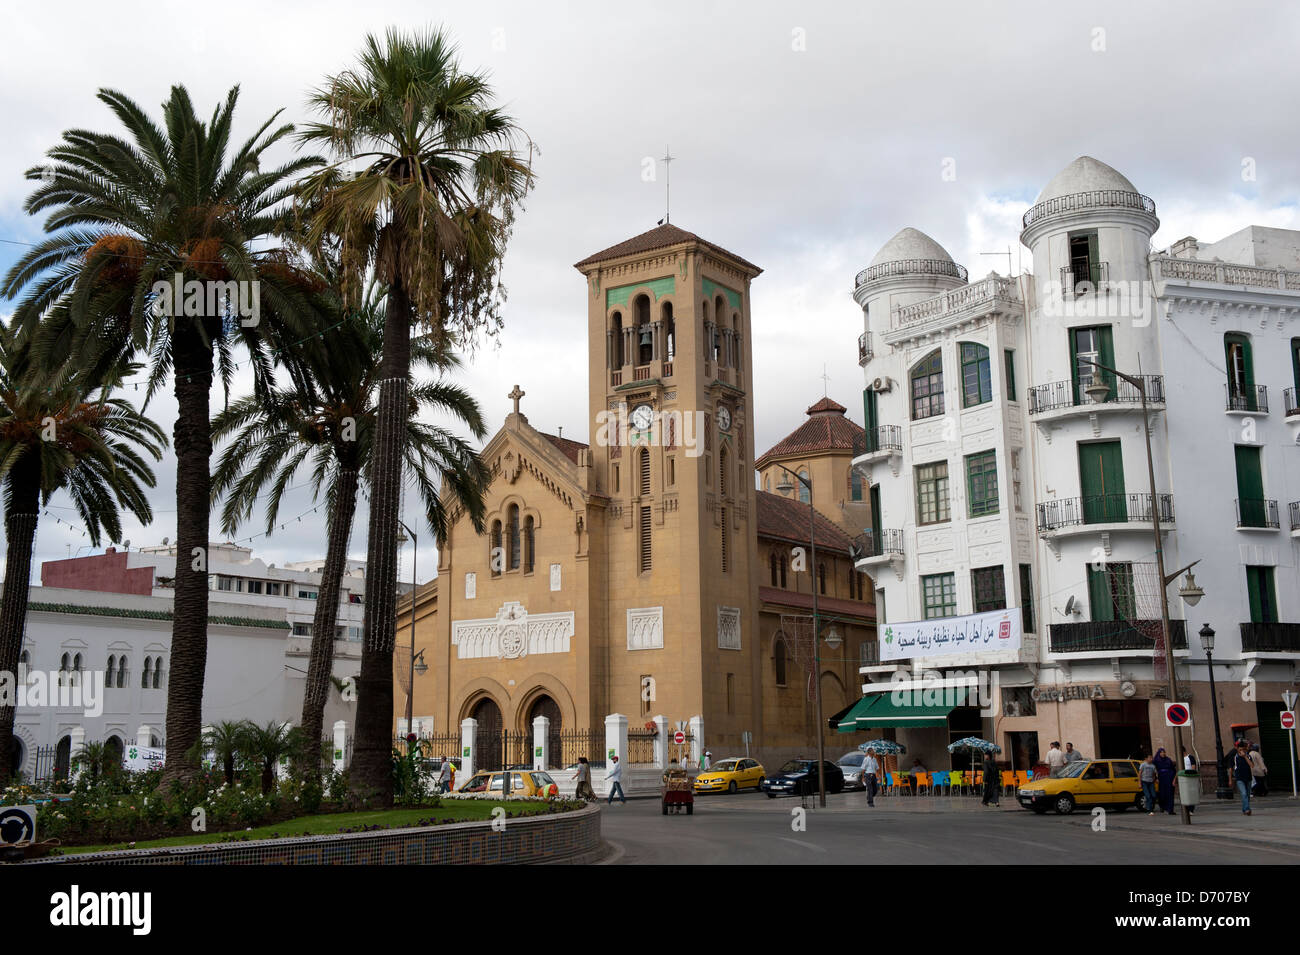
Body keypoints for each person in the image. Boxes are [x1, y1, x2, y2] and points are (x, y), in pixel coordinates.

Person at [1153, 748, 1178, 815]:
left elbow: (1173, 769)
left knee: (1170, 793)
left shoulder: (1168, 760)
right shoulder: (1156, 760)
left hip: (1170, 777)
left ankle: (1170, 809)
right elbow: (1153, 770)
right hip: (1162, 778)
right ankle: (1163, 806)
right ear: (1159, 753)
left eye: (1164, 752)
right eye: (1161, 752)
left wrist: (1174, 779)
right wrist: (1156, 778)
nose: (1163, 753)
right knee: (1163, 794)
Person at [1232, 742, 1253, 815]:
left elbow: (1252, 765)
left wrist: (1245, 757)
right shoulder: (1236, 757)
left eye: (1242, 749)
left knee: (1247, 795)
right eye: (1239, 749)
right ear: (1237, 749)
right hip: (1239, 778)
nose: (1241, 751)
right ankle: (1247, 809)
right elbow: (1232, 767)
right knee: (1244, 794)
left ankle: (1244, 809)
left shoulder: (1248, 756)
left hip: (1248, 777)